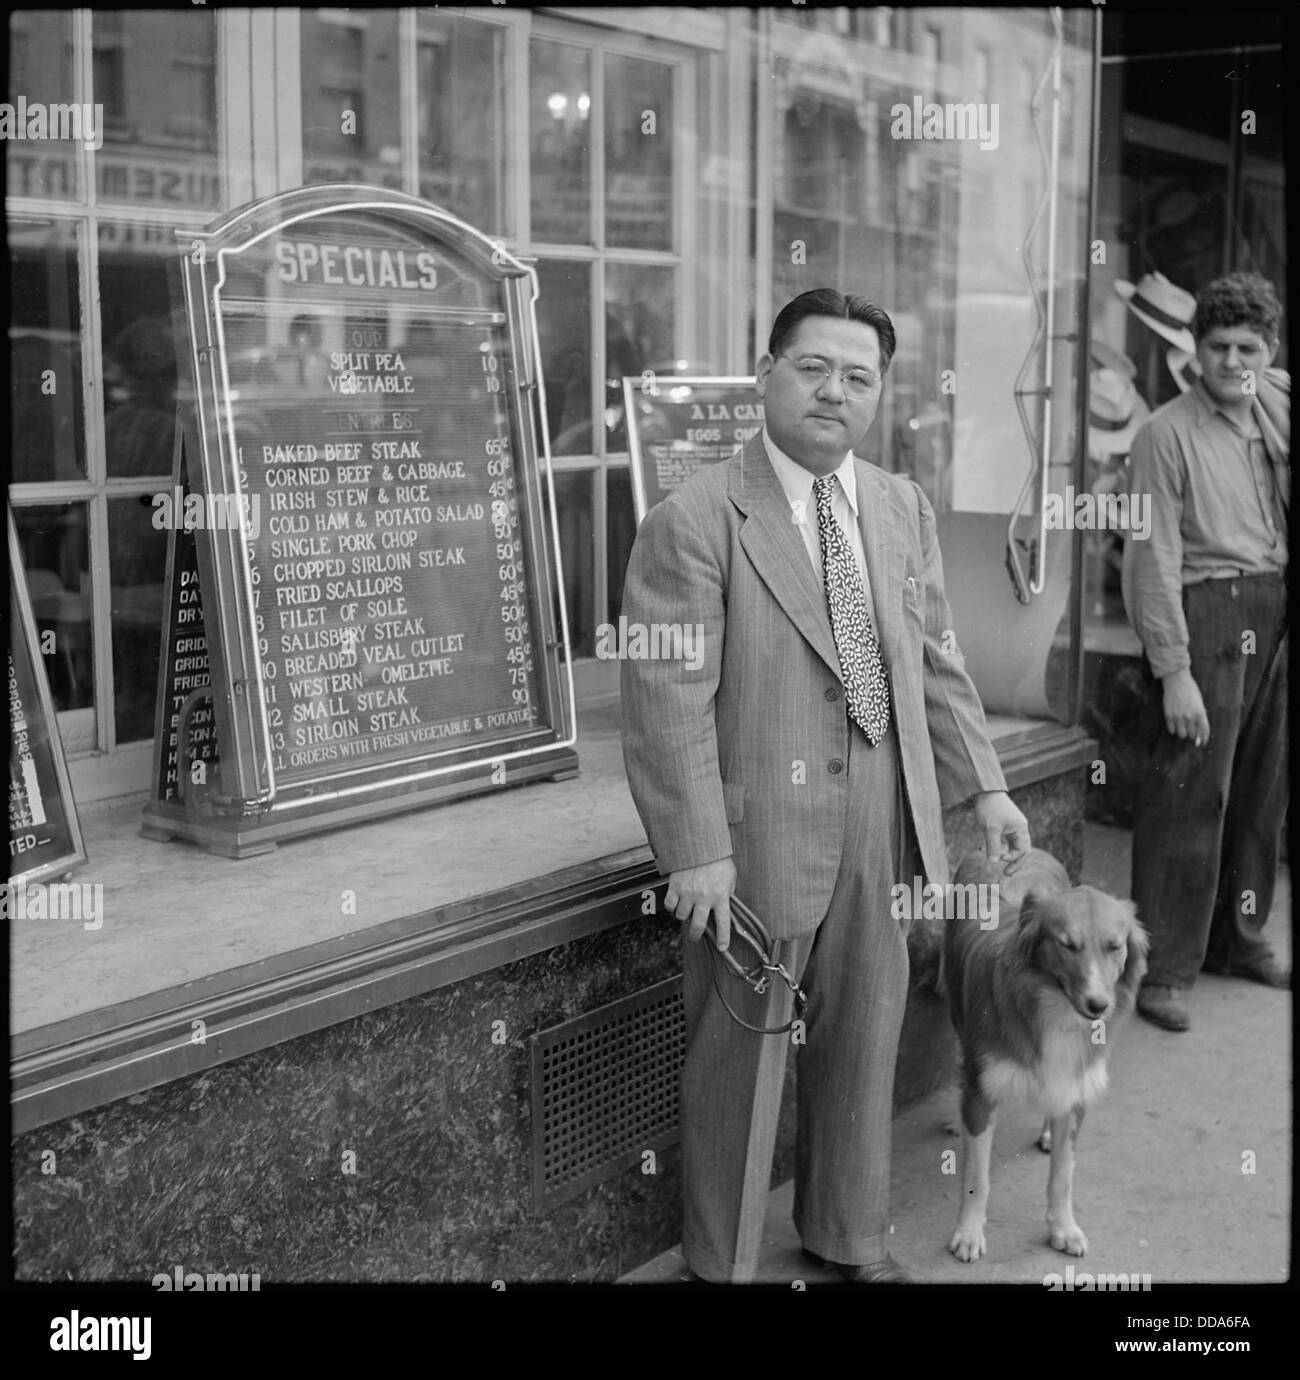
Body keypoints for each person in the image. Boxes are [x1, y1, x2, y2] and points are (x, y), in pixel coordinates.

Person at [619, 288, 1029, 1284]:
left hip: (883, 823)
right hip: (754, 835)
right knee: (739, 1061)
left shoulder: (896, 505)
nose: (833, 392)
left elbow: (934, 659)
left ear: (880, 391)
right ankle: (720, 1264)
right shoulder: (696, 518)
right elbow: (664, 698)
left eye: (858, 376)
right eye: (811, 368)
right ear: (765, 375)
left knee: (864, 1032)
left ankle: (846, 1234)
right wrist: (697, 852)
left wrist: (985, 788)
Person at [1122, 272, 1290, 1033]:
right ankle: (1164, 968)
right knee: (1192, 794)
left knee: (1262, 788)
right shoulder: (1165, 433)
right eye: (1217, 346)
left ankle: (1240, 939)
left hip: (1275, 602)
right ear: (1196, 351)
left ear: (1269, 350)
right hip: (1207, 609)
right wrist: (1174, 670)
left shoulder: (1276, 410)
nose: (1231, 361)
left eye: (1247, 347)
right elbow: (1149, 554)